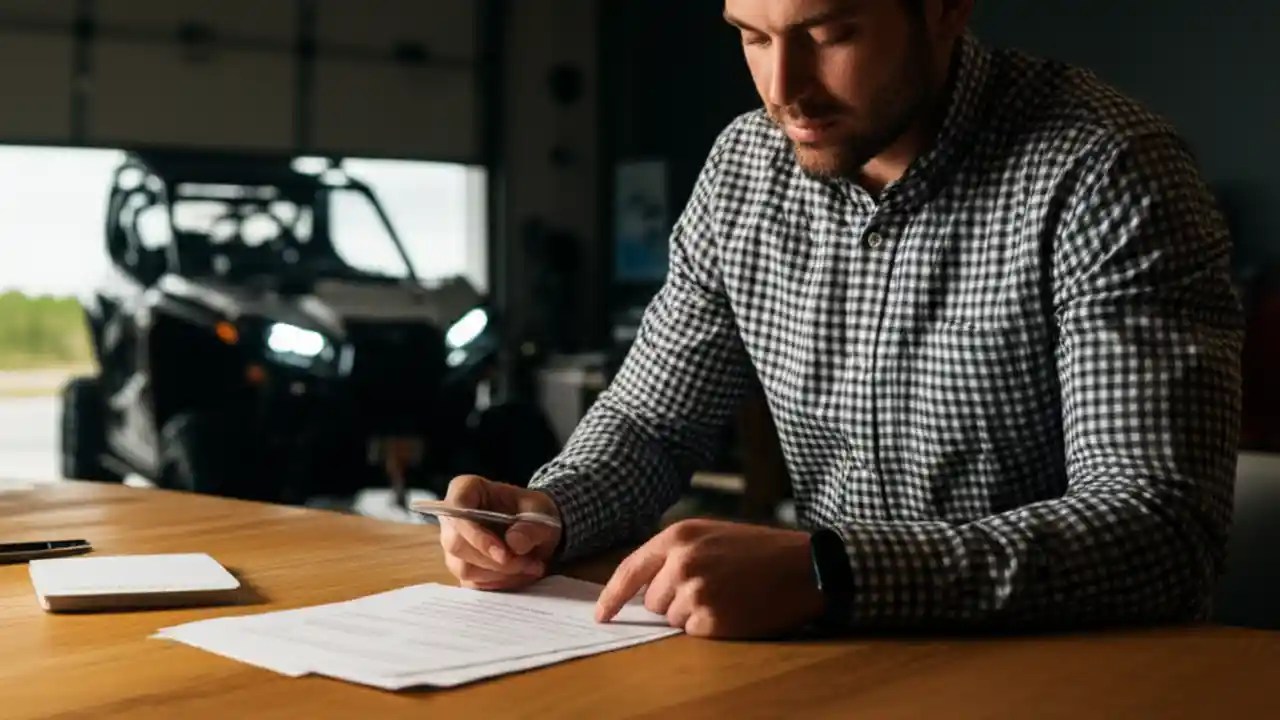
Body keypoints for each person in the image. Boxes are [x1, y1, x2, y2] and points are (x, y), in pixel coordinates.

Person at [438, 0, 1243, 639]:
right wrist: (549, 513)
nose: (783, 87)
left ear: (946, 9)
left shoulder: (1108, 171)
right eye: (751, 37)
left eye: (829, 34)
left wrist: (832, 572)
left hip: (1070, 673)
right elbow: (652, 422)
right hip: (831, 661)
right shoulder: (745, 171)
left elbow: (1160, 530)